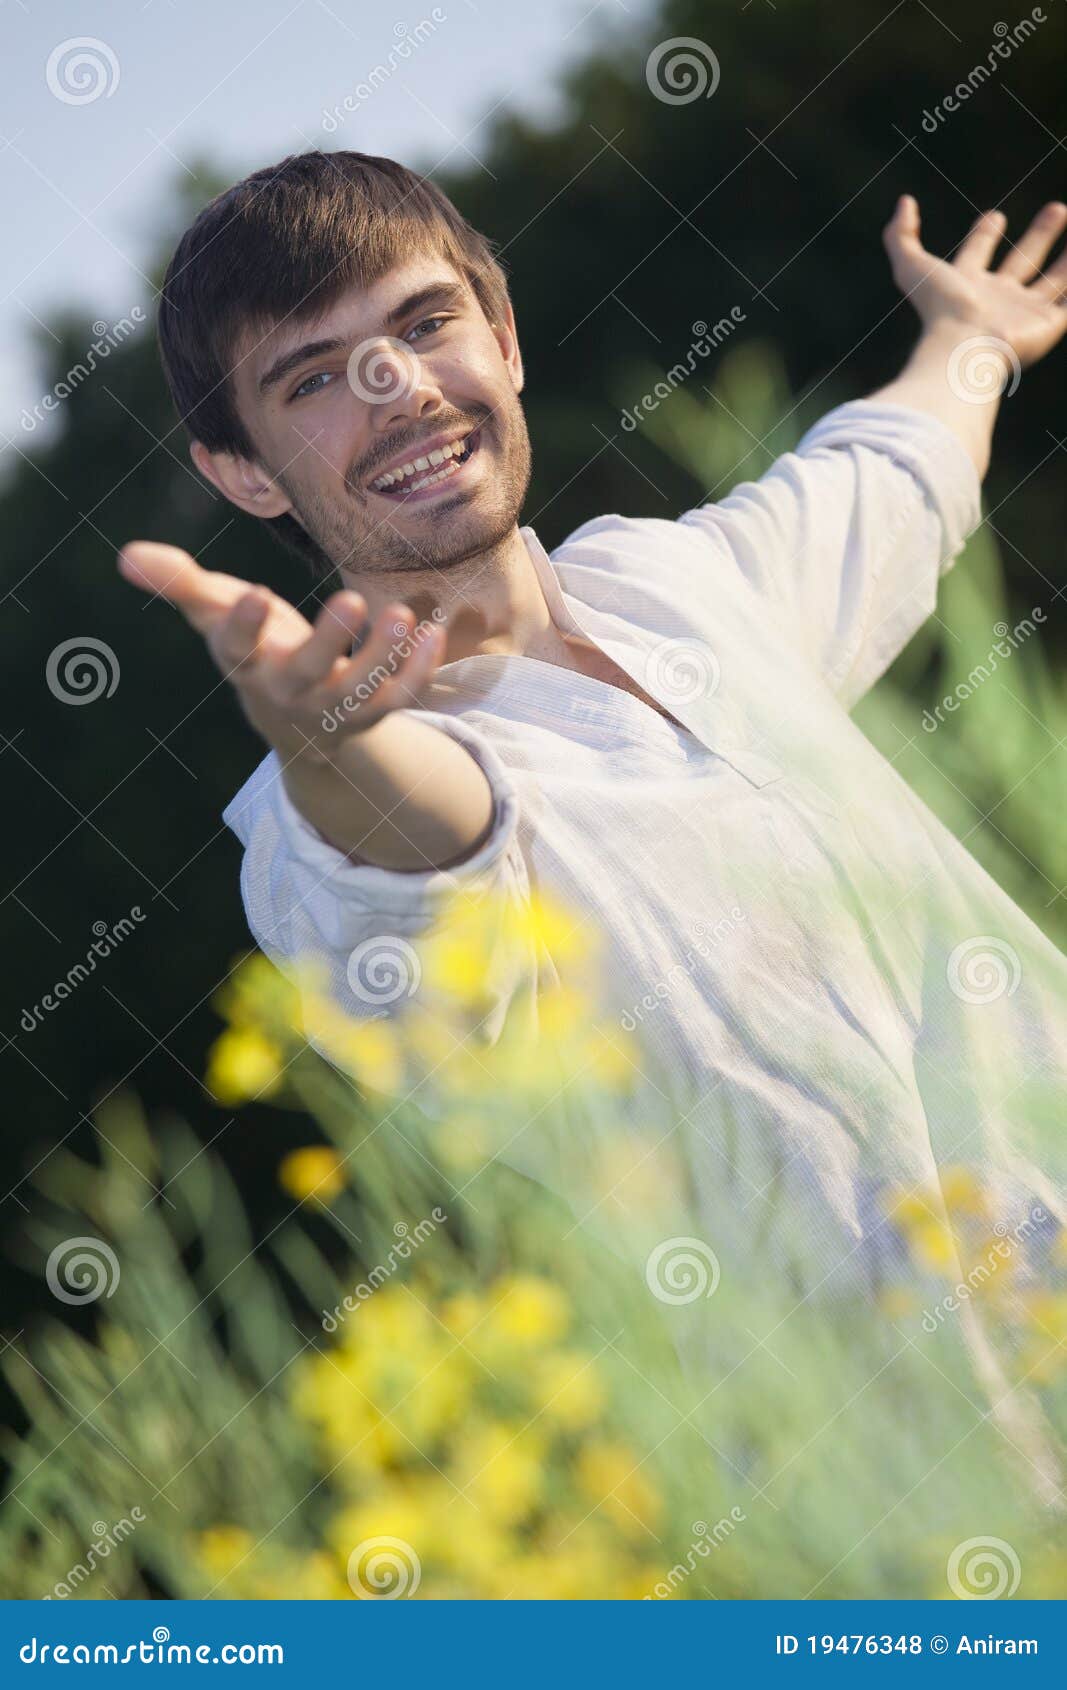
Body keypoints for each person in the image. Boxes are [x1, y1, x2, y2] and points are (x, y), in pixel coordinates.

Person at [117, 151, 1067, 1312]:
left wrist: (967, 336)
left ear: (504, 339)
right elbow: (419, 845)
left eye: (423, 323)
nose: (395, 385)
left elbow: (883, 471)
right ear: (243, 474)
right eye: (312, 379)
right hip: (924, 1413)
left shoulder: (679, 580)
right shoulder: (314, 829)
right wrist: (325, 745)